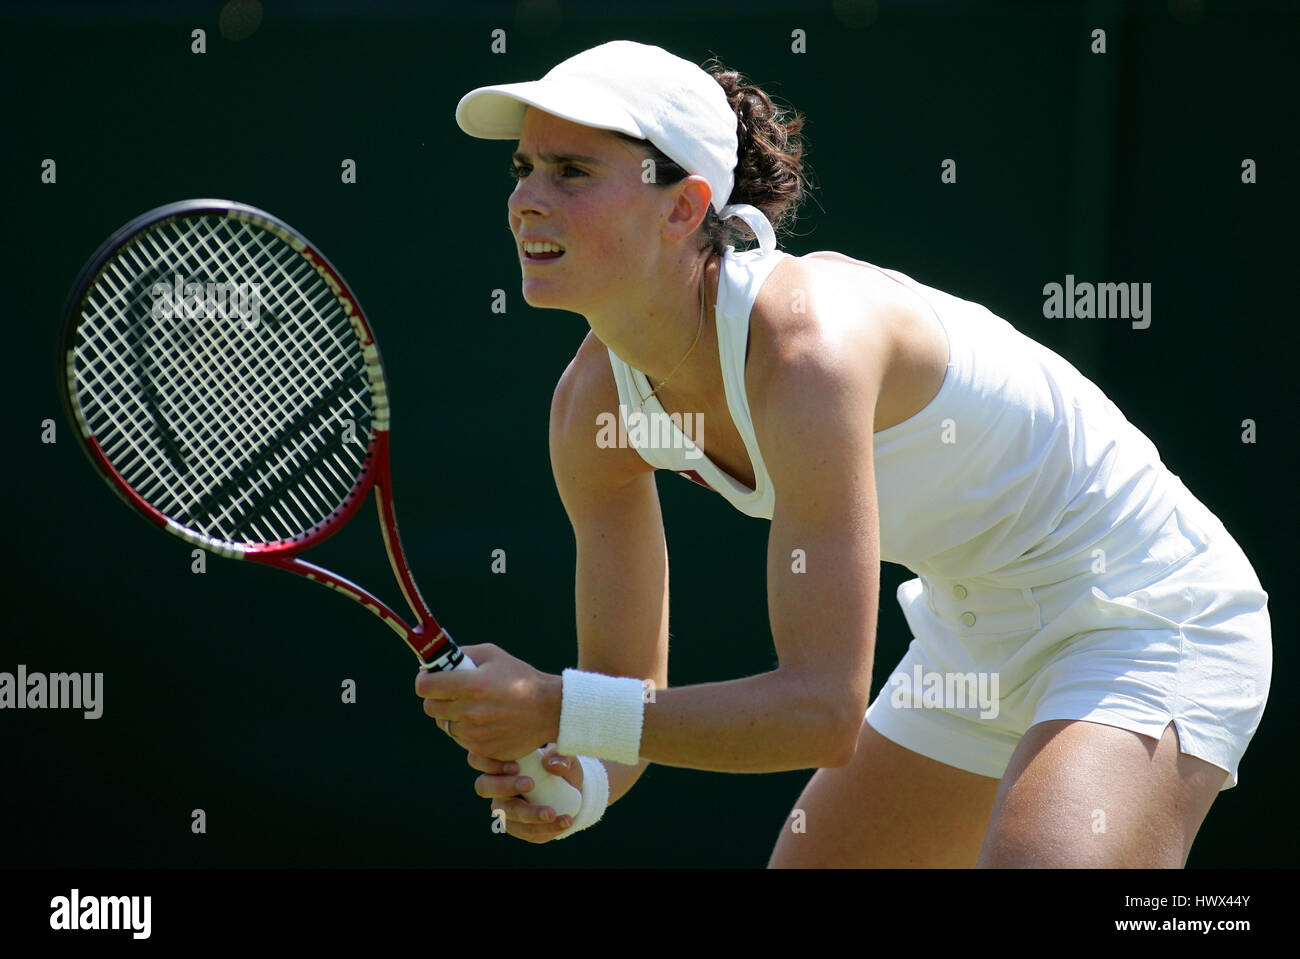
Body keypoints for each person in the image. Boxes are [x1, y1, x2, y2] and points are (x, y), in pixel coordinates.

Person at [418, 40, 1272, 867]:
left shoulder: (810, 349)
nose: (527, 199)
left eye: (571, 172)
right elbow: (623, 694)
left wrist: (555, 706)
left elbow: (820, 712)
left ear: (684, 208)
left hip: (1147, 614)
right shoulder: (590, 409)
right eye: (523, 168)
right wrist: (581, 780)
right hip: (967, 642)